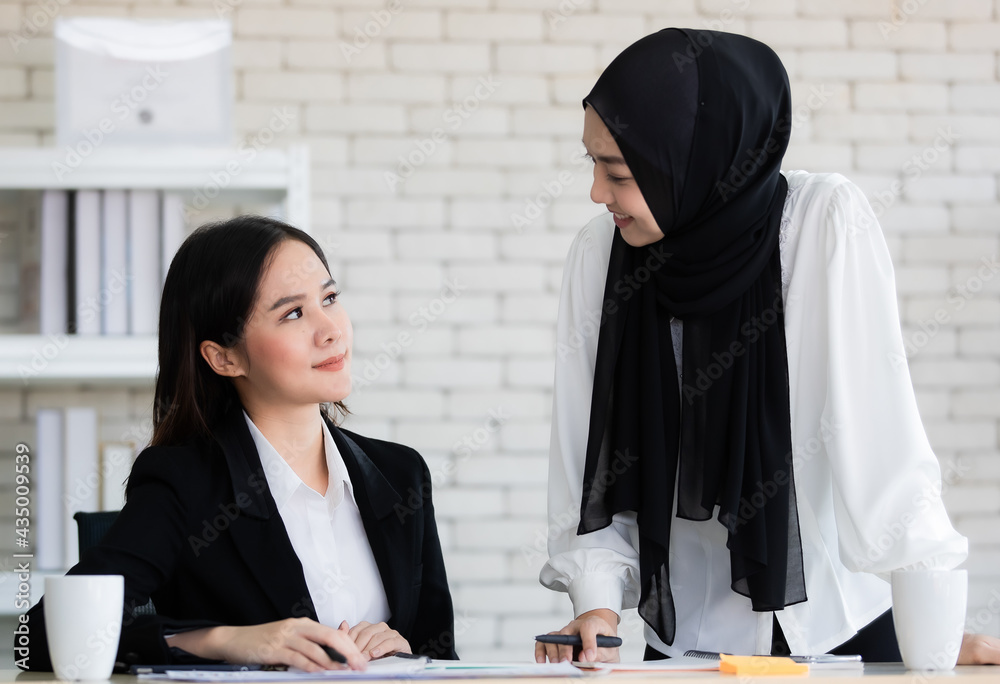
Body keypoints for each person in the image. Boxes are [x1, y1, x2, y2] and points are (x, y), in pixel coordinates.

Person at [535, 28, 1000, 665]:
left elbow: (882, 443)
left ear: (694, 158)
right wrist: (596, 604)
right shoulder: (600, 256)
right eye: (592, 164)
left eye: (616, 171)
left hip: (838, 633)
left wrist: (932, 637)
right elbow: (589, 458)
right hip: (685, 649)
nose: (596, 192)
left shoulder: (820, 224)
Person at [19, 216, 457, 672]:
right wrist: (226, 641)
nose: (331, 330)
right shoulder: (183, 482)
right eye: (292, 313)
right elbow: (37, 638)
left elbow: (443, 657)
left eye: (329, 298)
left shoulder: (401, 473)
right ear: (224, 357)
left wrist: (406, 649)